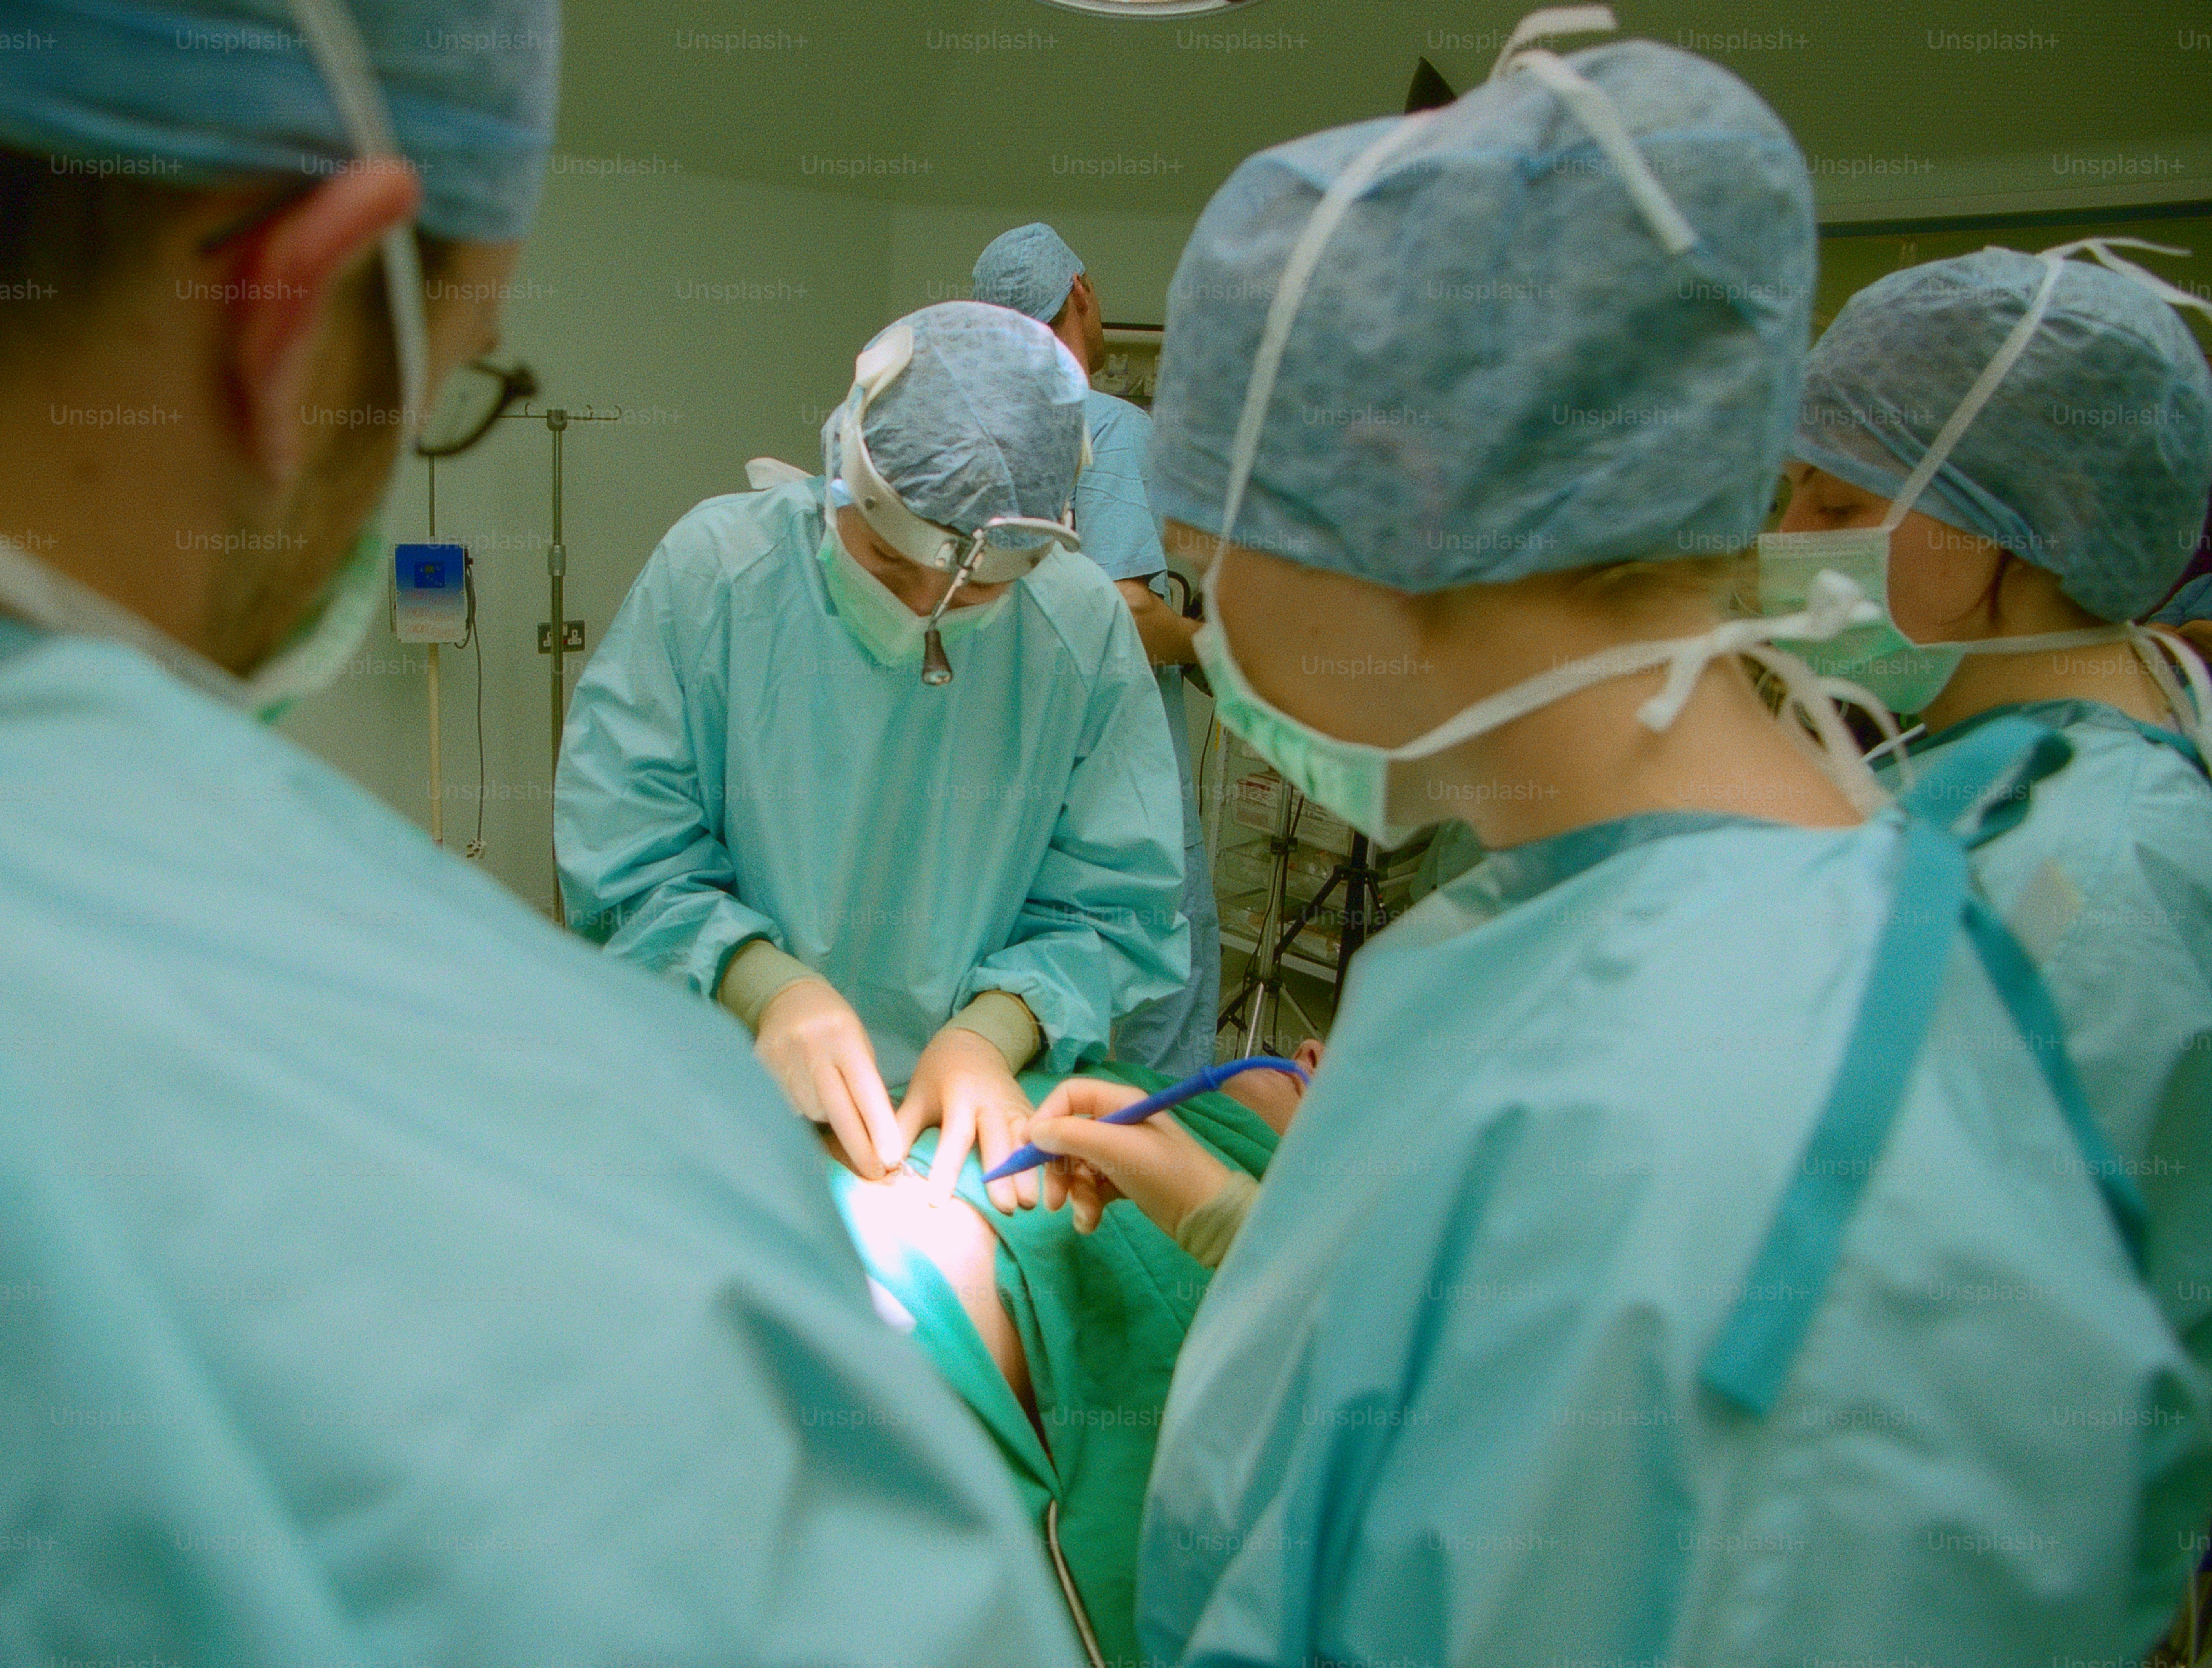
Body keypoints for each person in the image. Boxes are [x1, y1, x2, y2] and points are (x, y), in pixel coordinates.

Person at [0, 7, 1088, 1662]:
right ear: (291, 304)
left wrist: (989, 1016)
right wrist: (754, 990)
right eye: (454, 386)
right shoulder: (602, 1204)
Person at [1021, 24, 2211, 1665]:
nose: (1207, 617)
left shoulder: (1703, 1143)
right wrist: (1275, 1232)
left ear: (1385, 506)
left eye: (1215, 550)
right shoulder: (1675, 912)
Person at [556, 300, 1185, 1206]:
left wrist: (995, 1032)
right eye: (892, 570)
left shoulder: (1076, 626)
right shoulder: (719, 575)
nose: (923, 612)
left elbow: (1112, 905)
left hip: (968, 1124)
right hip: (717, 1081)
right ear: (842, 470)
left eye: (970, 602)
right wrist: (763, 988)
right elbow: (626, 851)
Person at [1771, 241, 2212, 1368]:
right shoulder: (1965, 774)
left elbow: (1983, 1352)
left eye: (1834, 502)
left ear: (2029, 521)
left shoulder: (2091, 874)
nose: (1785, 541)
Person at [973, 223, 1219, 1076]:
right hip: (1118, 760)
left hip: (1001, 753)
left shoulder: (969, 428)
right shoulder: (1107, 426)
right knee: (1160, 981)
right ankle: (1161, 1169)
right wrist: (1215, 651)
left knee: (1027, 977)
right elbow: (1126, 614)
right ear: (1081, 290)